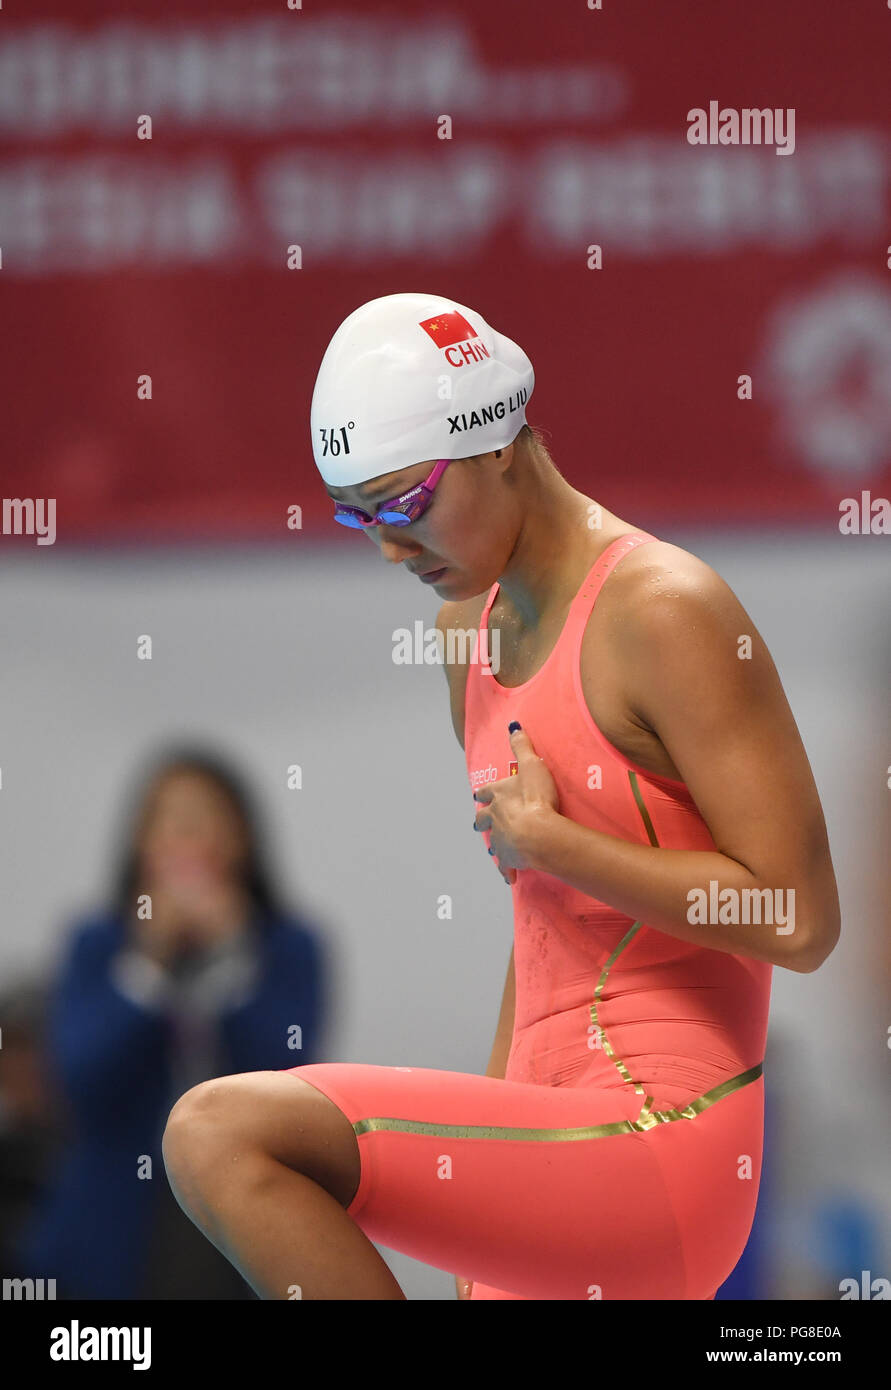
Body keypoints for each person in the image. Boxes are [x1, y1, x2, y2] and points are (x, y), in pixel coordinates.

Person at [162, 293, 840, 1300]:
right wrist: (488, 1195)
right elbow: (544, 940)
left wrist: (567, 847)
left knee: (219, 1132)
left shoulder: (664, 610)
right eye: (358, 515)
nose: (390, 547)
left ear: (496, 445)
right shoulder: (462, 636)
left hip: (668, 1146)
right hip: (560, 1142)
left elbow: (797, 917)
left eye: (405, 503)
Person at [16, 747, 326, 1298]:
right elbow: (82, 1084)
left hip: (240, 1211)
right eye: (172, 824)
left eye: (208, 823)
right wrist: (147, 964)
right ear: (140, 842)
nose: (190, 844)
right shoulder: (98, 944)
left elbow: (288, 1082)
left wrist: (233, 954)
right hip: (110, 1227)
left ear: (242, 841)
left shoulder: (287, 948)